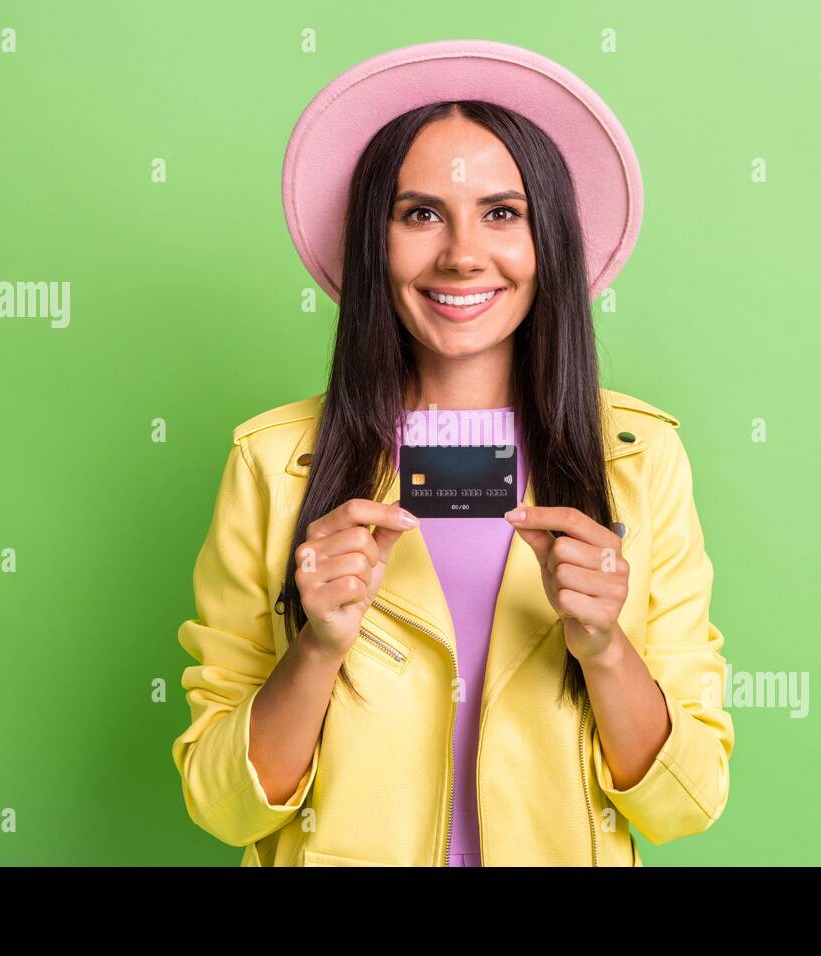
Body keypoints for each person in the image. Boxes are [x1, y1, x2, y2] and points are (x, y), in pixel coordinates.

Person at [171, 39, 734, 867]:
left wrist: (606, 647)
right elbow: (223, 809)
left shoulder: (640, 460)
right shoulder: (273, 461)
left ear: (551, 241)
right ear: (376, 239)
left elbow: (687, 804)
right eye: (421, 213)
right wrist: (317, 646)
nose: (463, 254)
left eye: (502, 213)